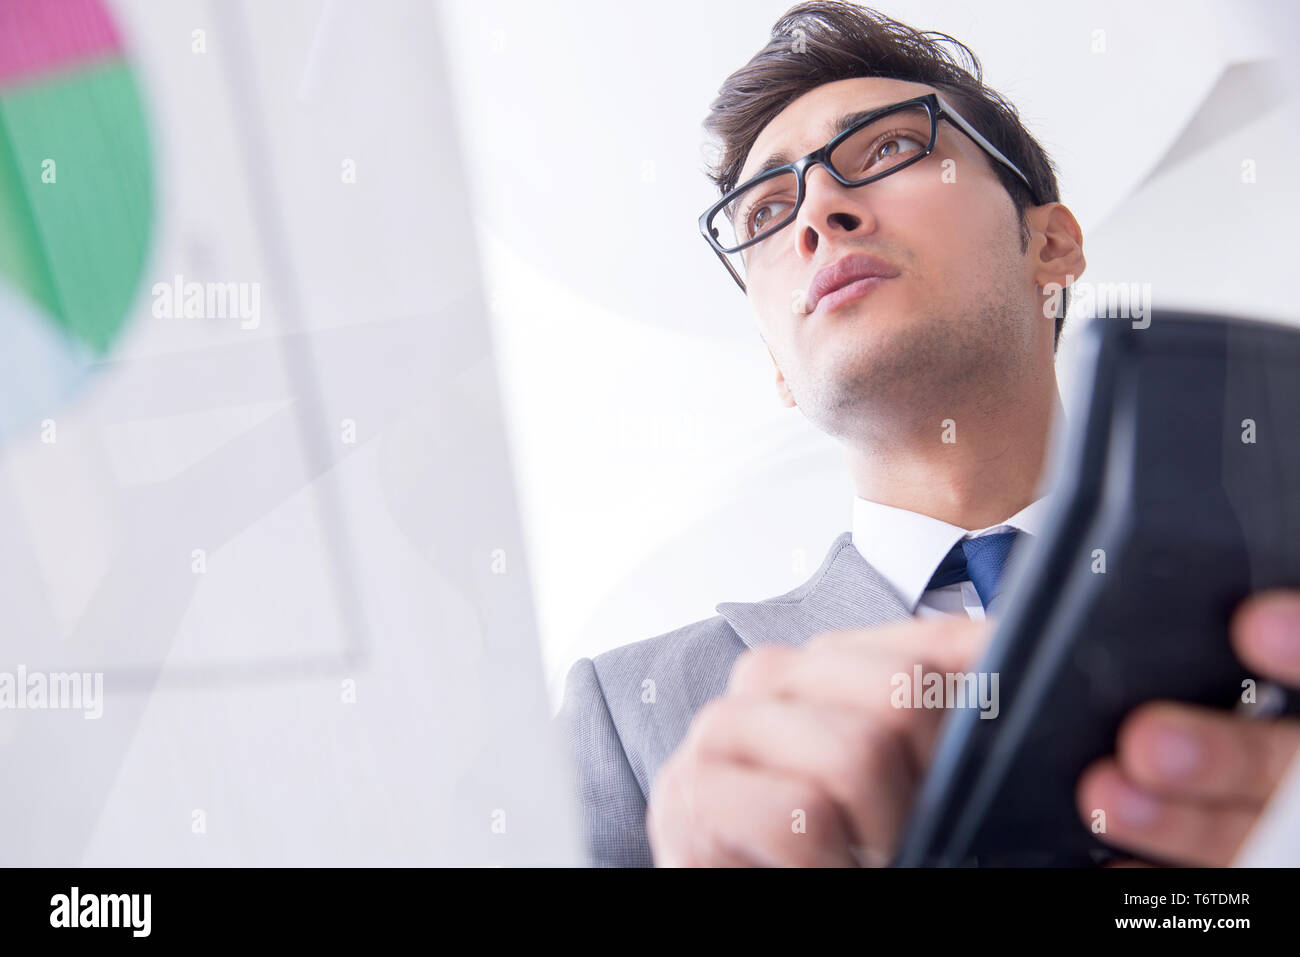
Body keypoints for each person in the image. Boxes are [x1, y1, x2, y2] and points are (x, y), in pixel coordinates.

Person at [556, 0, 1300, 867]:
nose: (816, 211)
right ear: (779, 368)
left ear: (1051, 244)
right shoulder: (625, 714)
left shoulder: (1278, 597)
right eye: (763, 213)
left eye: (889, 148)